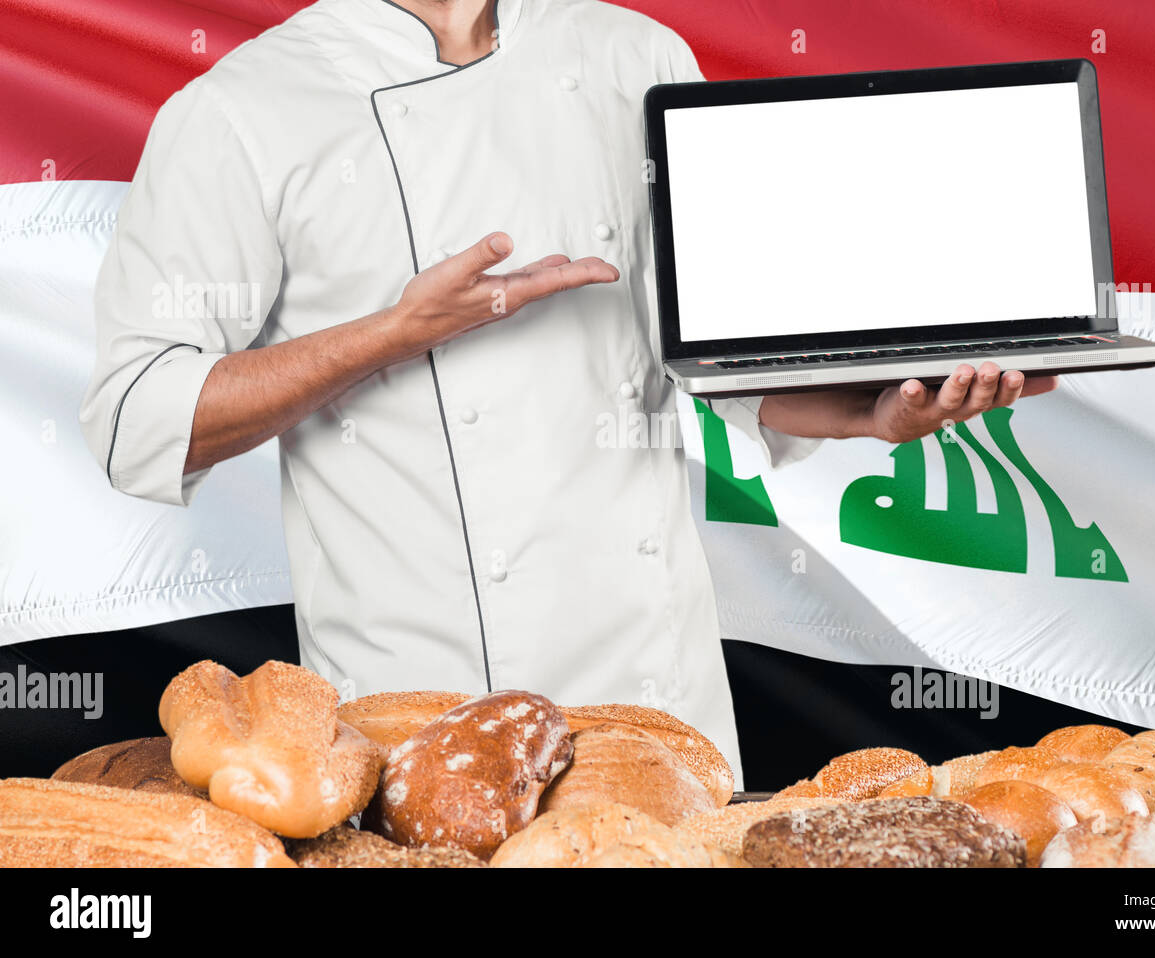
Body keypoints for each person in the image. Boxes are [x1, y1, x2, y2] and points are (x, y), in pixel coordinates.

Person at [80, 0, 1055, 779]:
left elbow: (692, 365)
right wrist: (393, 333)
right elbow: (139, 419)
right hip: (417, 727)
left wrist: (870, 413)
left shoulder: (636, 54)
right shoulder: (242, 111)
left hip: (658, 708)